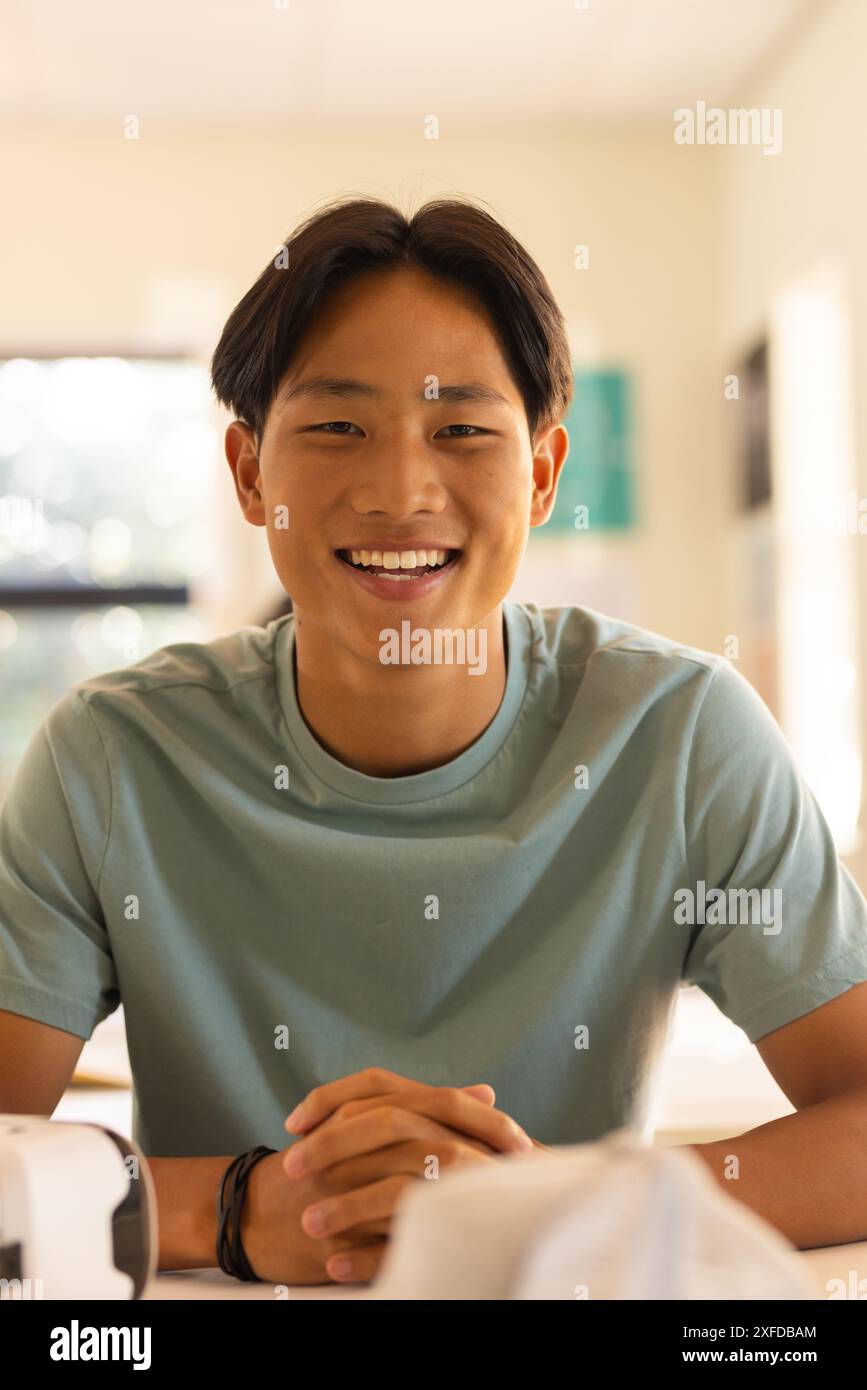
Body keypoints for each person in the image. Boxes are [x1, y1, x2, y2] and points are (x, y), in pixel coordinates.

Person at [2, 195, 867, 1288]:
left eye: (461, 429)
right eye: (335, 426)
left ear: (543, 473)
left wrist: (560, 1199)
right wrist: (236, 1208)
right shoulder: (108, 760)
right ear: (250, 472)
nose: (402, 490)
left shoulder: (681, 734)